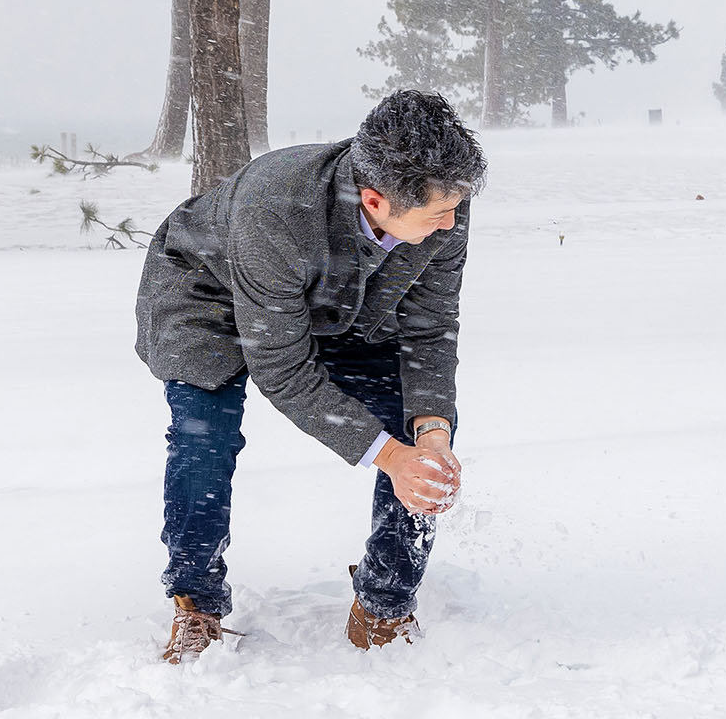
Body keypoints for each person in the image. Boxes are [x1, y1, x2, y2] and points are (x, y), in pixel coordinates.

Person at [135, 90, 487, 660]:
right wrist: (387, 456)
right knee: (205, 435)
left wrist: (430, 431)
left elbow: (428, 327)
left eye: (456, 207)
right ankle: (195, 600)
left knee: (411, 430)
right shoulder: (275, 208)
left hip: (342, 300)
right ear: (375, 199)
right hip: (209, 295)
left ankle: (384, 603)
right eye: (437, 214)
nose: (451, 223)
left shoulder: (442, 201)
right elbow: (283, 368)